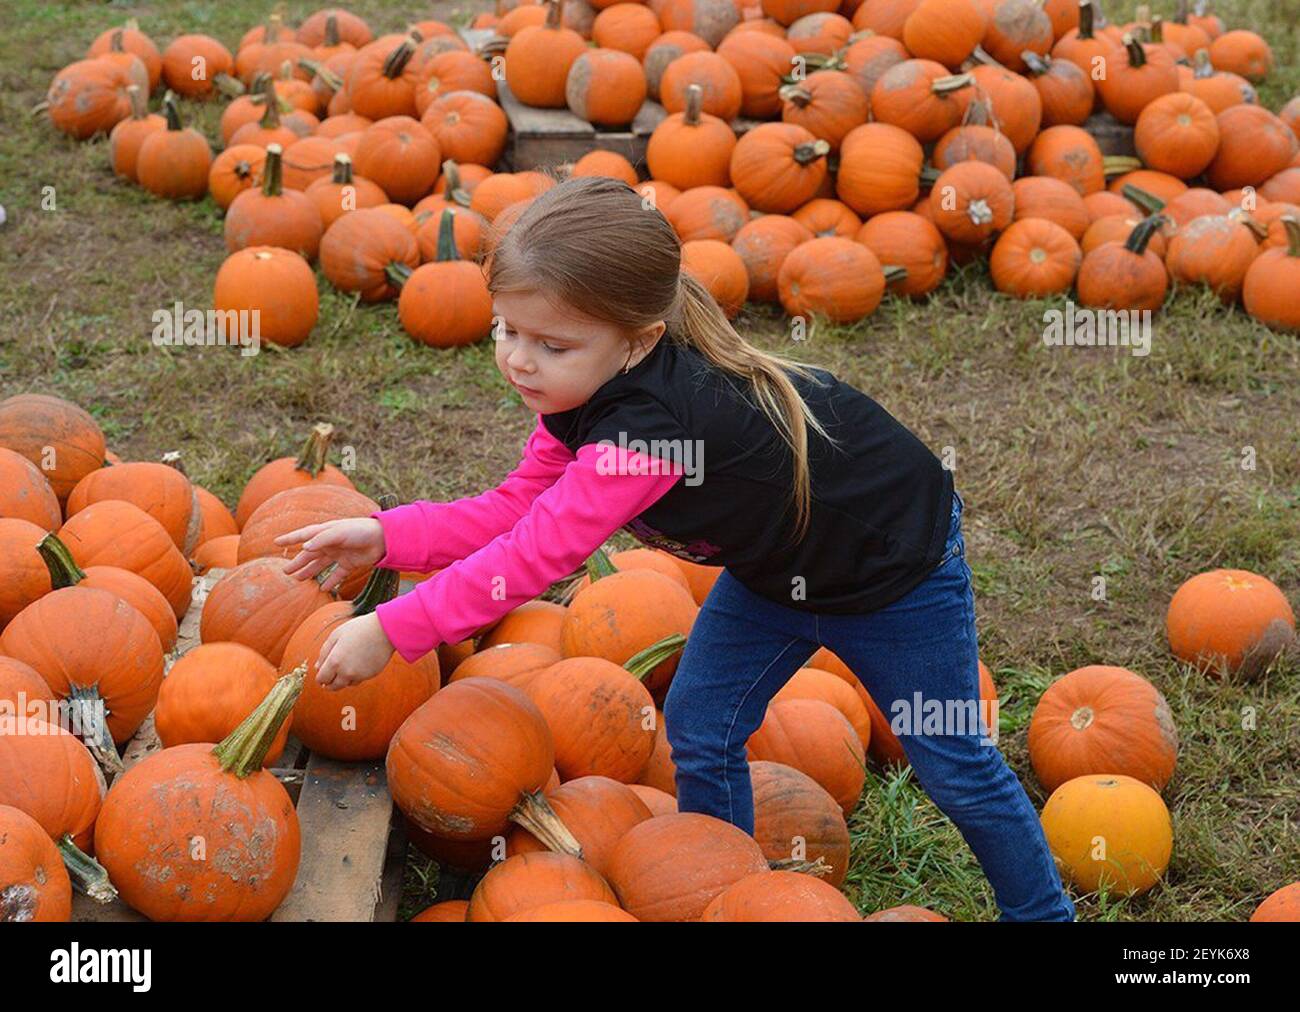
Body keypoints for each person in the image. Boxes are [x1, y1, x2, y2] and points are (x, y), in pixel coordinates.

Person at [276, 175, 1075, 921]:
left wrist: (395, 627)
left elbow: (537, 557)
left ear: (636, 340)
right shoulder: (584, 392)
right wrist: (390, 533)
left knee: (951, 764)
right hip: (776, 575)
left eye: (551, 344)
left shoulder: (652, 429)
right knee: (700, 724)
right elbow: (518, 506)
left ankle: (1043, 915)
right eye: (507, 329)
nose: (520, 359)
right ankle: (718, 889)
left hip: (893, 574)